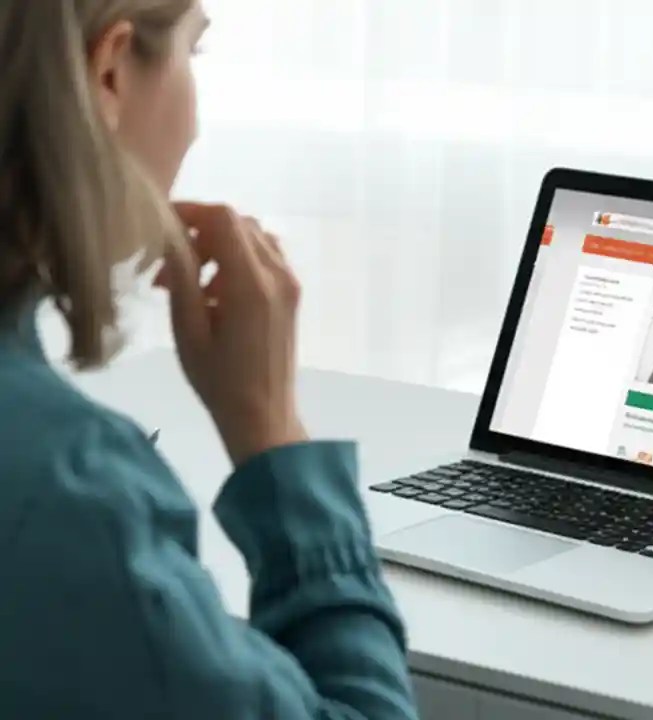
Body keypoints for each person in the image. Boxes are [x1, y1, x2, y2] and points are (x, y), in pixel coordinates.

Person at [0, 2, 417, 718]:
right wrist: (271, 428)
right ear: (109, 72)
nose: (194, 126)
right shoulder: (69, 493)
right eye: (193, 53)